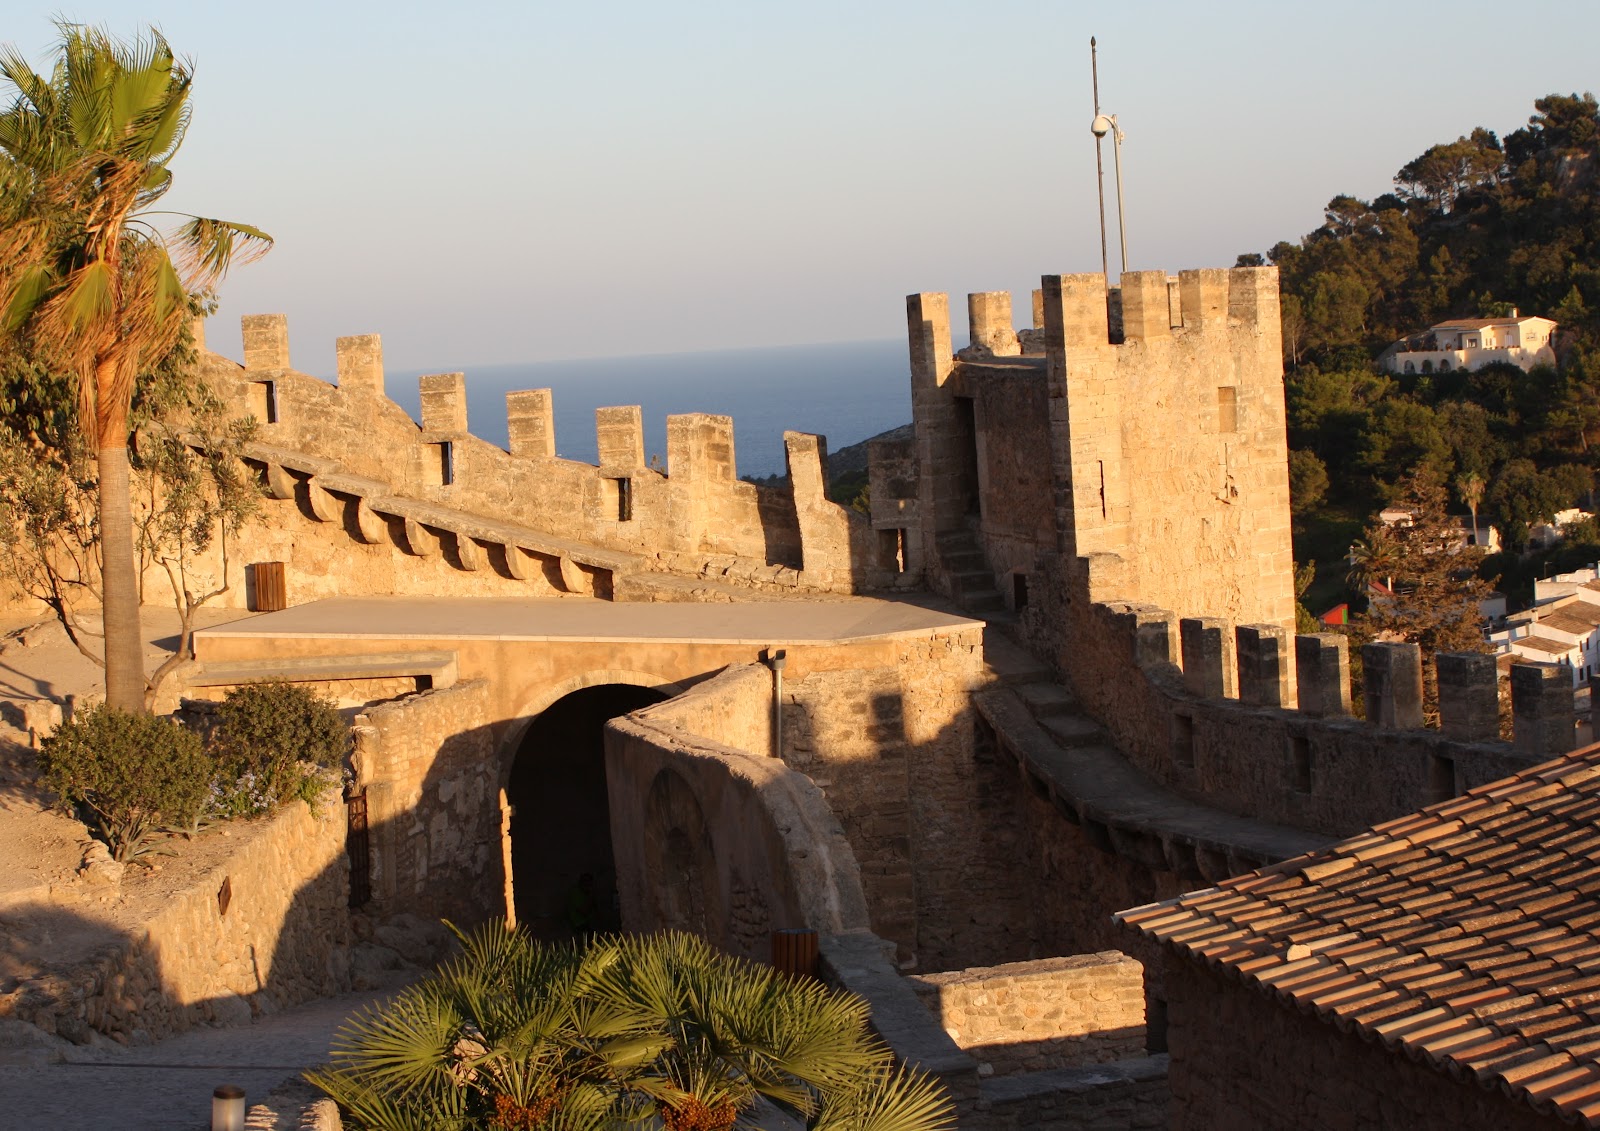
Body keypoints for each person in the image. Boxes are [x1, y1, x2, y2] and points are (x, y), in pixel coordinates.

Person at [565, 872, 600, 938]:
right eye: (585, 883)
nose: (588, 885)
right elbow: (584, 912)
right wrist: (591, 895)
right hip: (578, 925)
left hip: (588, 924)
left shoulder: (586, 893)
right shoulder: (575, 893)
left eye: (590, 883)